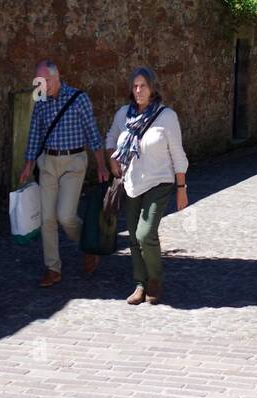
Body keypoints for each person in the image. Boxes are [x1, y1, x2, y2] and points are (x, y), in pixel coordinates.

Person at [19, 60, 110, 287]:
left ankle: (88, 244)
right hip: (48, 162)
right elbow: (34, 134)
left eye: (45, 80)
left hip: (73, 162)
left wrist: (101, 165)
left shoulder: (79, 99)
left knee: (65, 215)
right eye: (38, 81)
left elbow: (92, 133)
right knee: (47, 218)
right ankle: (52, 268)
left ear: (57, 77)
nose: (42, 85)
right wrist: (28, 165)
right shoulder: (40, 100)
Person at [105, 66, 189, 306]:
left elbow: (178, 155)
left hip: (159, 182)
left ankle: (155, 280)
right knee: (133, 235)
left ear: (152, 88)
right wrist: (112, 159)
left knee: (145, 233)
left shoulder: (167, 117)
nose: (139, 90)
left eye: (143, 86)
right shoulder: (124, 115)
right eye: (135, 86)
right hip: (132, 183)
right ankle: (140, 284)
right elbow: (111, 137)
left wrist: (181, 187)